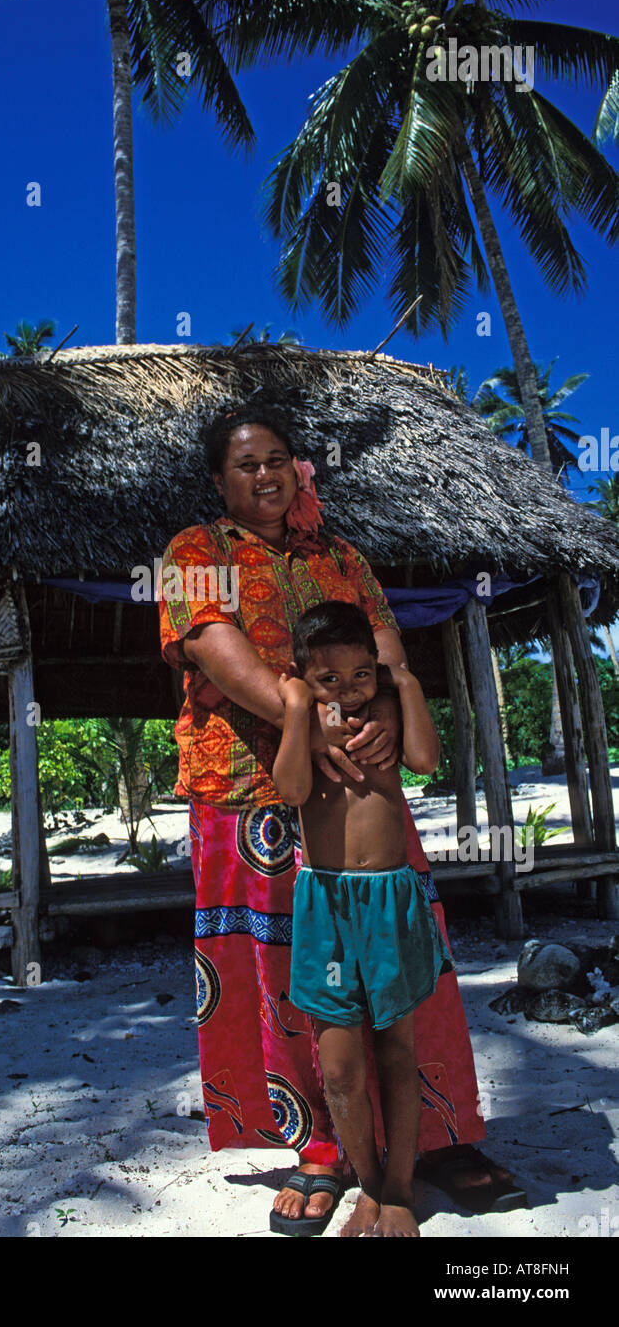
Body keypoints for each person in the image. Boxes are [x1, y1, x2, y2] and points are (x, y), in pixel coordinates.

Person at [158, 403, 524, 1236]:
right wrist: (303, 718)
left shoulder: (342, 555)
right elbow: (214, 645)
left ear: (298, 469)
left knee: (405, 963)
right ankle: (319, 1151)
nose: (265, 475)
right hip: (251, 787)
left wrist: (390, 710)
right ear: (219, 479)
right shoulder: (195, 554)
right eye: (246, 464)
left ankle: (432, 1136)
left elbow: (387, 647)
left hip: (367, 784)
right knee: (292, 980)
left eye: (279, 458)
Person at [274, 599, 452, 1237]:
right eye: (329, 680)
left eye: (362, 676)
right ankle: (368, 1185)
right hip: (324, 902)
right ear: (301, 675)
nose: (349, 692)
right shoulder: (305, 723)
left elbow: (428, 763)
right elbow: (293, 790)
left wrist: (404, 685)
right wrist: (299, 711)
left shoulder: (386, 716)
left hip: (389, 899)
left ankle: (400, 1190)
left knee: (397, 1051)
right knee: (343, 1068)